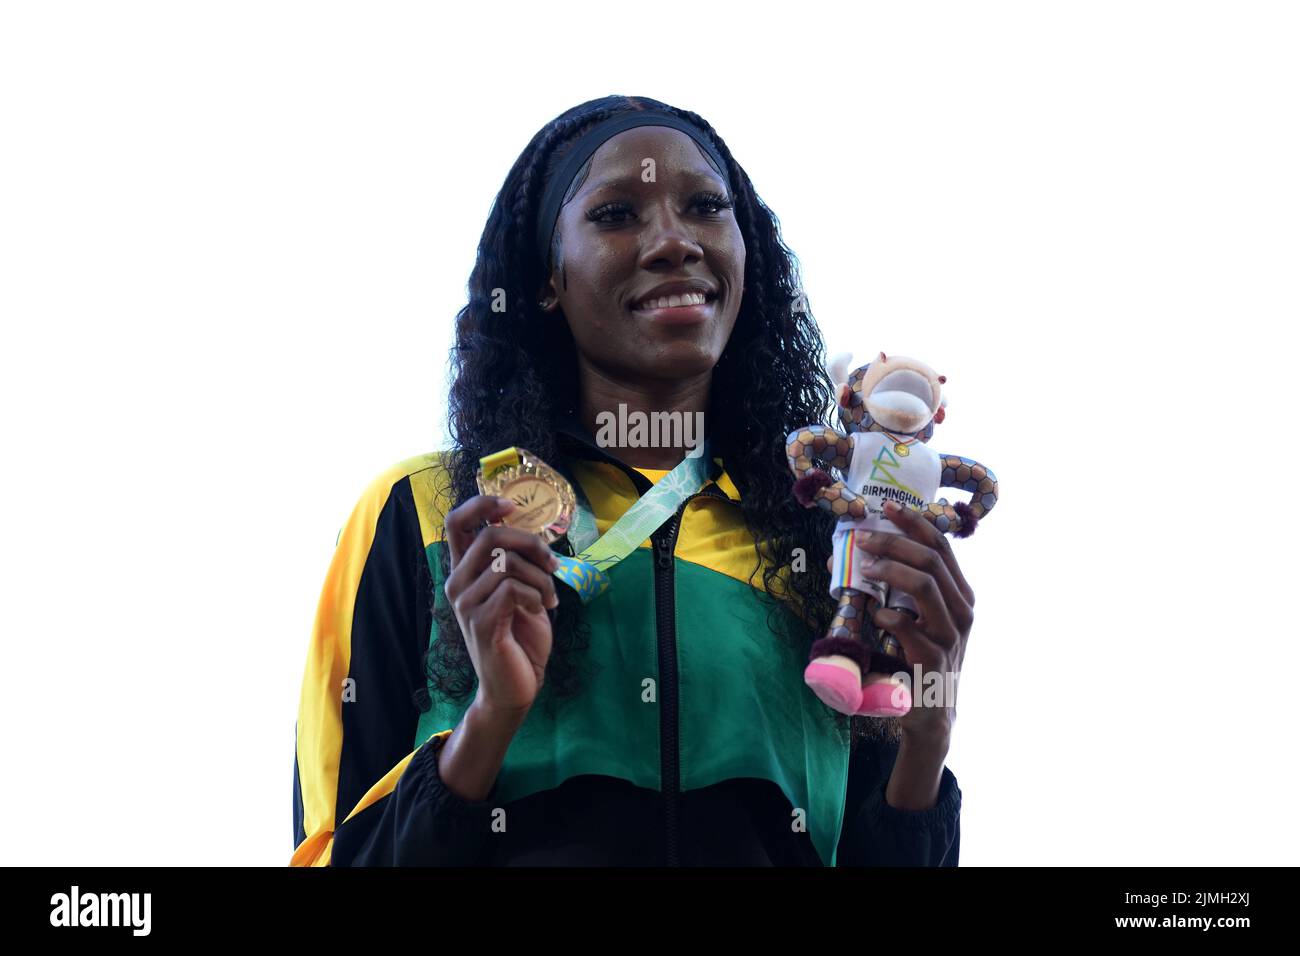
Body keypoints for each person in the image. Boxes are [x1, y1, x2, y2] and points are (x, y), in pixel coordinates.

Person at [291, 95, 971, 867]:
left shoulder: (819, 541)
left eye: (706, 208)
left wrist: (926, 743)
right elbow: (325, 853)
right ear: (547, 278)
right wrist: (490, 722)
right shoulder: (428, 513)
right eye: (616, 214)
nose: (674, 241)